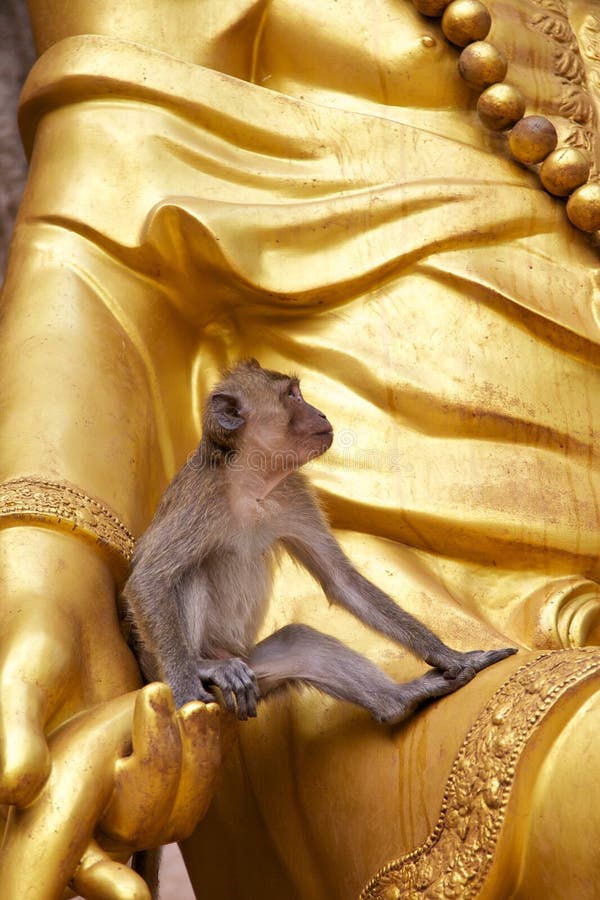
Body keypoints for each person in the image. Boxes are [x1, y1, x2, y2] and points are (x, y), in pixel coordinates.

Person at [1, 0, 600, 896]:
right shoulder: (217, 492)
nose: (306, 415)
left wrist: (439, 659)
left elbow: (339, 587)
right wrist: (48, 565)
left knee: (324, 635)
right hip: (414, 554)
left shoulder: (286, 497)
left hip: (381, 635)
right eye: (290, 404)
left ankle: (409, 687)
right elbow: (100, 232)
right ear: (236, 424)